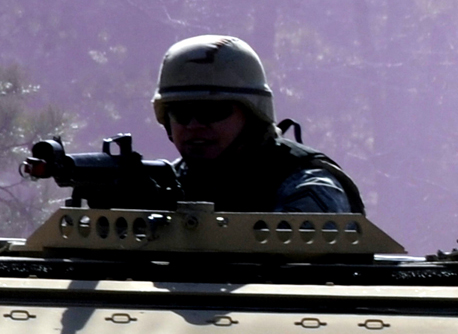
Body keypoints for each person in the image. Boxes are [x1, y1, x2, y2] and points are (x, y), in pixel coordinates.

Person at [148, 34, 365, 214]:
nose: (194, 124)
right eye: (181, 113)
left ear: (253, 116)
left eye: (212, 111)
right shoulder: (162, 185)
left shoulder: (307, 188)